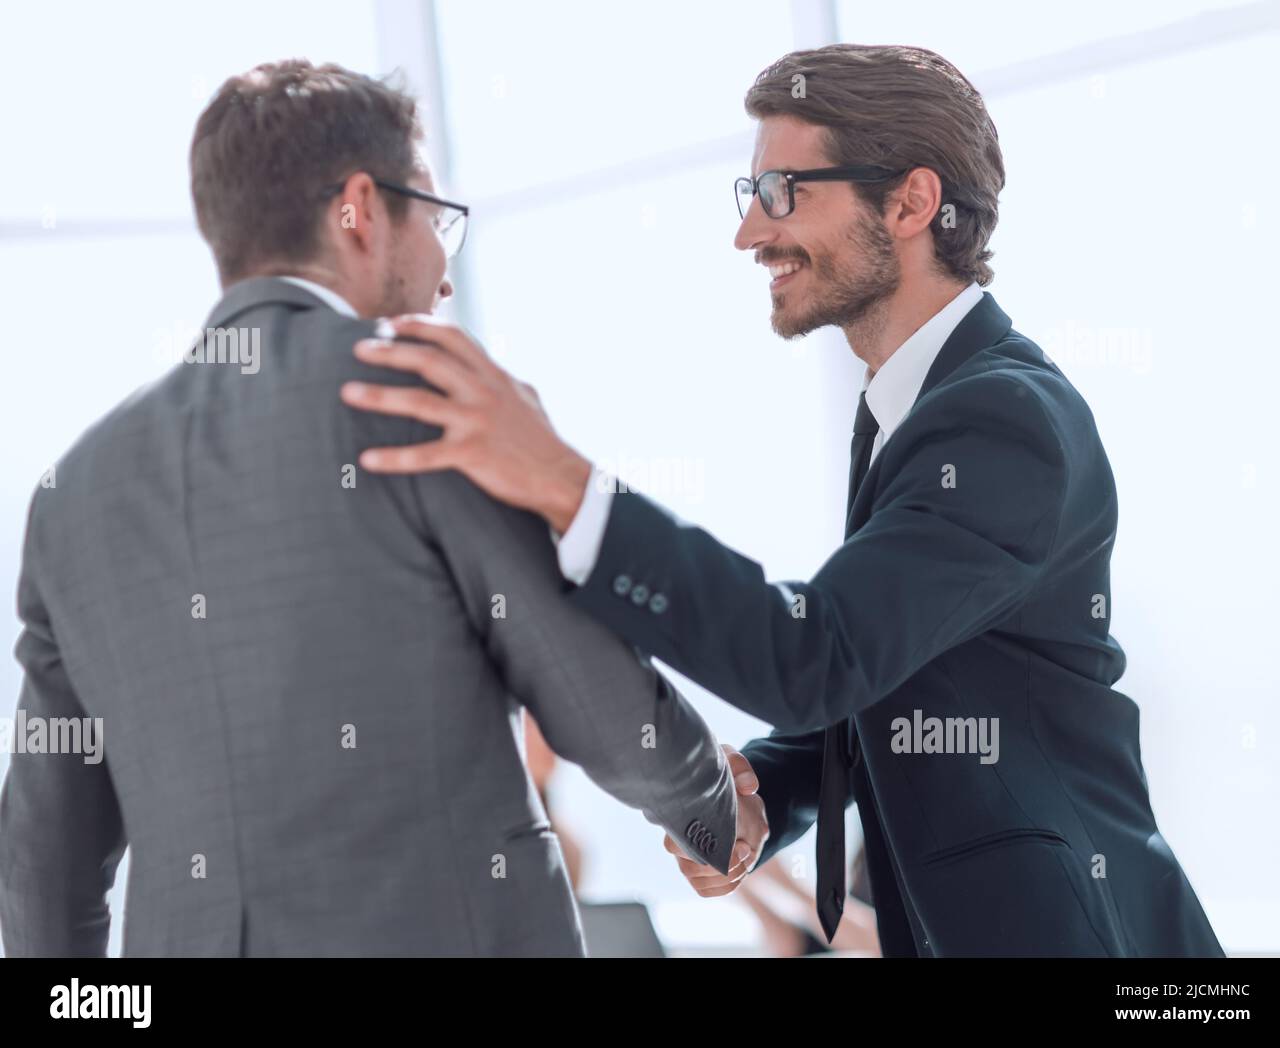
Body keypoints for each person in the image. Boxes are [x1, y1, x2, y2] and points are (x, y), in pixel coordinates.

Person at [339, 44, 1224, 957]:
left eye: (783, 193)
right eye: (751, 196)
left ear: (912, 202)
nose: (750, 234)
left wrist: (565, 484)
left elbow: (818, 654)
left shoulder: (1001, 417)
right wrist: (765, 796)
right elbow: (885, 678)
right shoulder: (912, 411)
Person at [0, 60, 757, 958]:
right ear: (360, 208)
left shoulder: (75, 490)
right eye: (435, 219)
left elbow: (44, 866)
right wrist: (719, 817)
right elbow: (600, 707)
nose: (443, 271)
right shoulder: (429, 398)